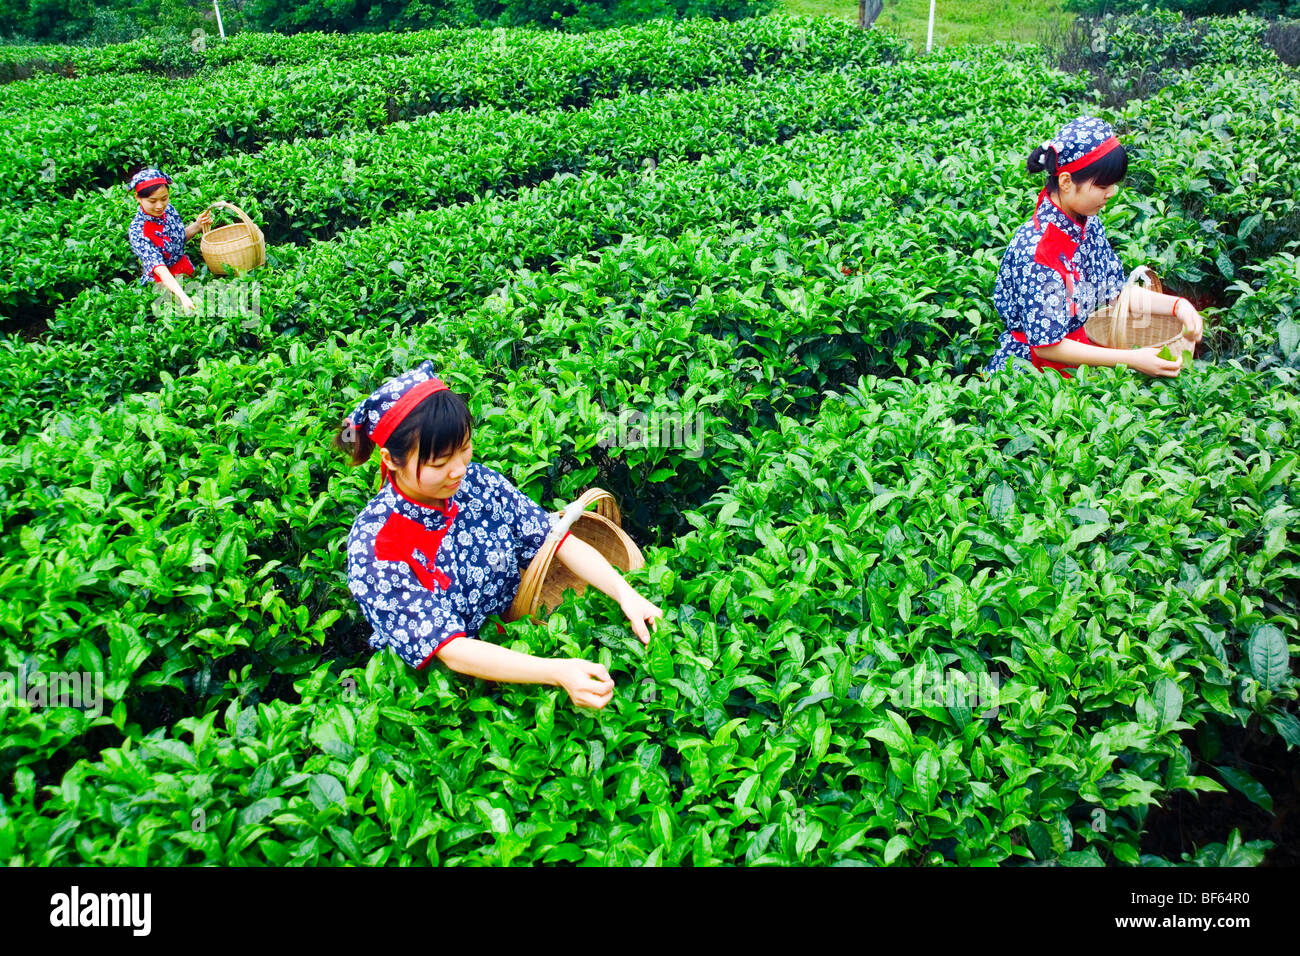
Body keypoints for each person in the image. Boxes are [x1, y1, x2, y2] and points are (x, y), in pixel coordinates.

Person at [336, 361, 664, 710]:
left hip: (513, 642)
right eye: (439, 462)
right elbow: (450, 649)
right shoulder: (376, 544)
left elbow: (554, 538)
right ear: (392, 459)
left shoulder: (478, 483)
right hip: (435, 695)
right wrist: (557, 671)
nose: (458, 469)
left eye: (464, 449)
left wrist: (624, 593)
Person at [984, 117, 1204, 378]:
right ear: (1066, 183)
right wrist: (1133, 359)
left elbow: (1115, 292)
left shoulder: (1088, 224)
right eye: (1102, 185)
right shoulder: (1037, 251)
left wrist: (1178, 306)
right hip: (1030, 375)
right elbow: (1047, 347)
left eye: (1114, 184)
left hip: (1081, 357)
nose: (1112, 193)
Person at [126, 166, 211, 312]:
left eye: (164, 198)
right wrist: (182, 296)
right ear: (138, 198)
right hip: (163, 283)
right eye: (152, 201)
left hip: (184, 267)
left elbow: (178, 240)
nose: (159, 206)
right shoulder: (138, 230)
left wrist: (197, 225)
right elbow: (160, 269)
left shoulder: (169, 210)